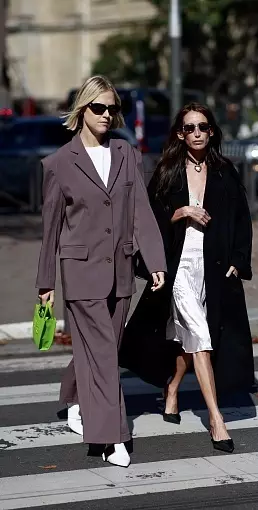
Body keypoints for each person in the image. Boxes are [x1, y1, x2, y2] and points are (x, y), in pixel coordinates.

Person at [36, 75, 167, 467]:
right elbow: (50, 230)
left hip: (122, 270)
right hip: (81, 273)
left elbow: (141, 210)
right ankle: (112, 438)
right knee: (106, 357)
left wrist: (156, 261)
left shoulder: (126, 153)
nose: (107, 114)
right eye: (99, 107)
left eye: (112, 108)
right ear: (82, 110)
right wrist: (45, 284)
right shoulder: (59, 164)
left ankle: (74, 399)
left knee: (100, 351)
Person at [120, 103, 254, 453]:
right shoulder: (166, 170)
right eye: (190, 127)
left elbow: (242, 218)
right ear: (180, 133)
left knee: (189, 338)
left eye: (203, 127)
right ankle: (216, 419)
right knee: (201, 335)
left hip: (213, 265)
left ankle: (173, 389)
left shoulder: (225, 171)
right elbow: (146, 219)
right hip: (178, 264)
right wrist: (179, 212)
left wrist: (239, 261)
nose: (196, 133)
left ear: (211, 132)